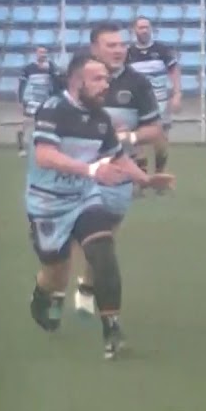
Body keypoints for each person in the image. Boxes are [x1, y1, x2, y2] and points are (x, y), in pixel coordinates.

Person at [29, 54, 173, 359]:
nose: (105, 85)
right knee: (55, 273)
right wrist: (91, 170)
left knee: (103, 251)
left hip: (84, 197)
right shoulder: (54, 109)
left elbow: (118, 156)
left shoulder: (100, 118)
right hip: (47, 203)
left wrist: (145, 180)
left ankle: (112, 331)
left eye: (107, 79)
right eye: (98, 79)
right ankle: (42, 291)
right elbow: (44, 155)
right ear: (76, 81)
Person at [73, 22, 165, 318]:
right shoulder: (75, 79)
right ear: (94, 49)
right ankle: (53, 284)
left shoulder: (137, 83)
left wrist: (129, 137)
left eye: (122, 45)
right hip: (78, 172)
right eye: (111, 45)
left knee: (103, 239)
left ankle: (87, 286)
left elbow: (155, 129)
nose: (119, 50)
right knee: (78, 237)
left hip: (118, 174)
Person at [126, 16, 182, 179]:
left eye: (147, 27)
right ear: (134, 30)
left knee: (161, 140)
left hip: (159, 102)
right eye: (141, 27)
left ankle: (159, 172)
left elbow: (174, 71)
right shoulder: (128, 53)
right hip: (137, 103)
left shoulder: (162, 50)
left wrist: (177, 94)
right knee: (136, 140)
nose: (144, 31)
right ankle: (142, 176)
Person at [18, 46, 58, 156]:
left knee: (44, 124)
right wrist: (20, 100)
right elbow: (21, 84)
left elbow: (57, 82)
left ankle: (39, 146)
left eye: (45, 52)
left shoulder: (51, 67)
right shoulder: (28, 68)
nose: (43, 54)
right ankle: (22, 145)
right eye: (41, 52)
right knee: (28, 123)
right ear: (36, 53)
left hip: (45, 100)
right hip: (31, 99)